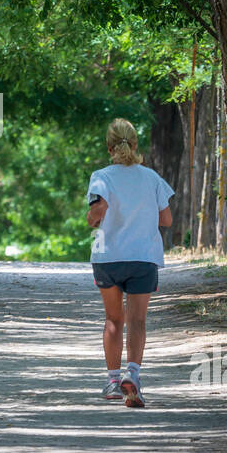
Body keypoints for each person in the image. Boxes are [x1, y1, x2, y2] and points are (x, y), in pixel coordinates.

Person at [85, 118, 174, 408]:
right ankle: (133, 375)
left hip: (108, 256)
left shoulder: (101, 176)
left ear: (109, 147)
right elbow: (166, 220)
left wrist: (94, 218)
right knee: (137, 320)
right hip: (143, 257)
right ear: (135, 145)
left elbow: (96, 213)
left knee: (113, 319)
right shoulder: (151, 178)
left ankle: (112, 381)